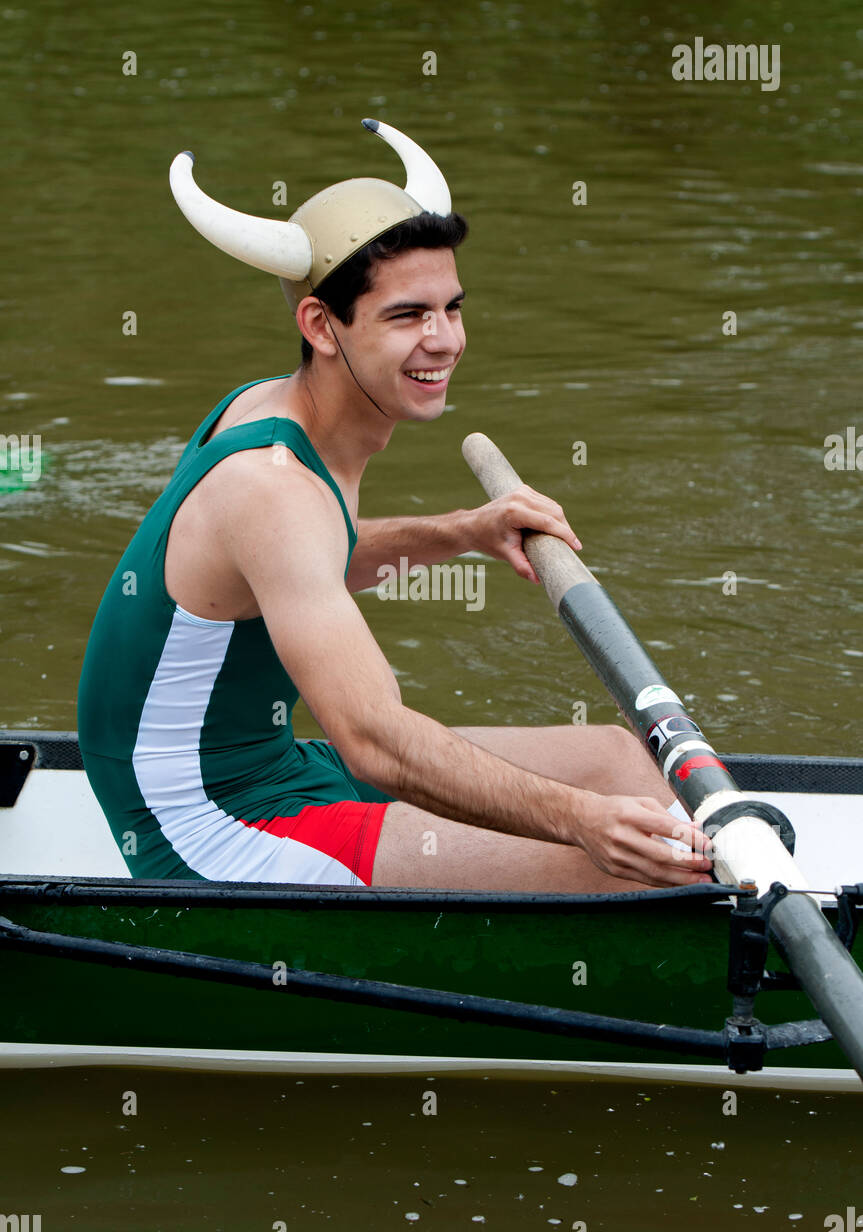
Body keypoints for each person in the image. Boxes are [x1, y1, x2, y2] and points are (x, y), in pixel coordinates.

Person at [77, 119, 711, 892]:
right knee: (619, 864)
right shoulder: (271, 486)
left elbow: (304, 563)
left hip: (270, 764)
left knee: (616, 758)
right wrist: (577, 820)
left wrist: (462, 533)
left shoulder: (271, 408)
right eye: (407, 316)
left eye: (451, 307)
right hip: (203, 823)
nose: (444, 340)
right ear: (320, 325)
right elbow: (375, 740)